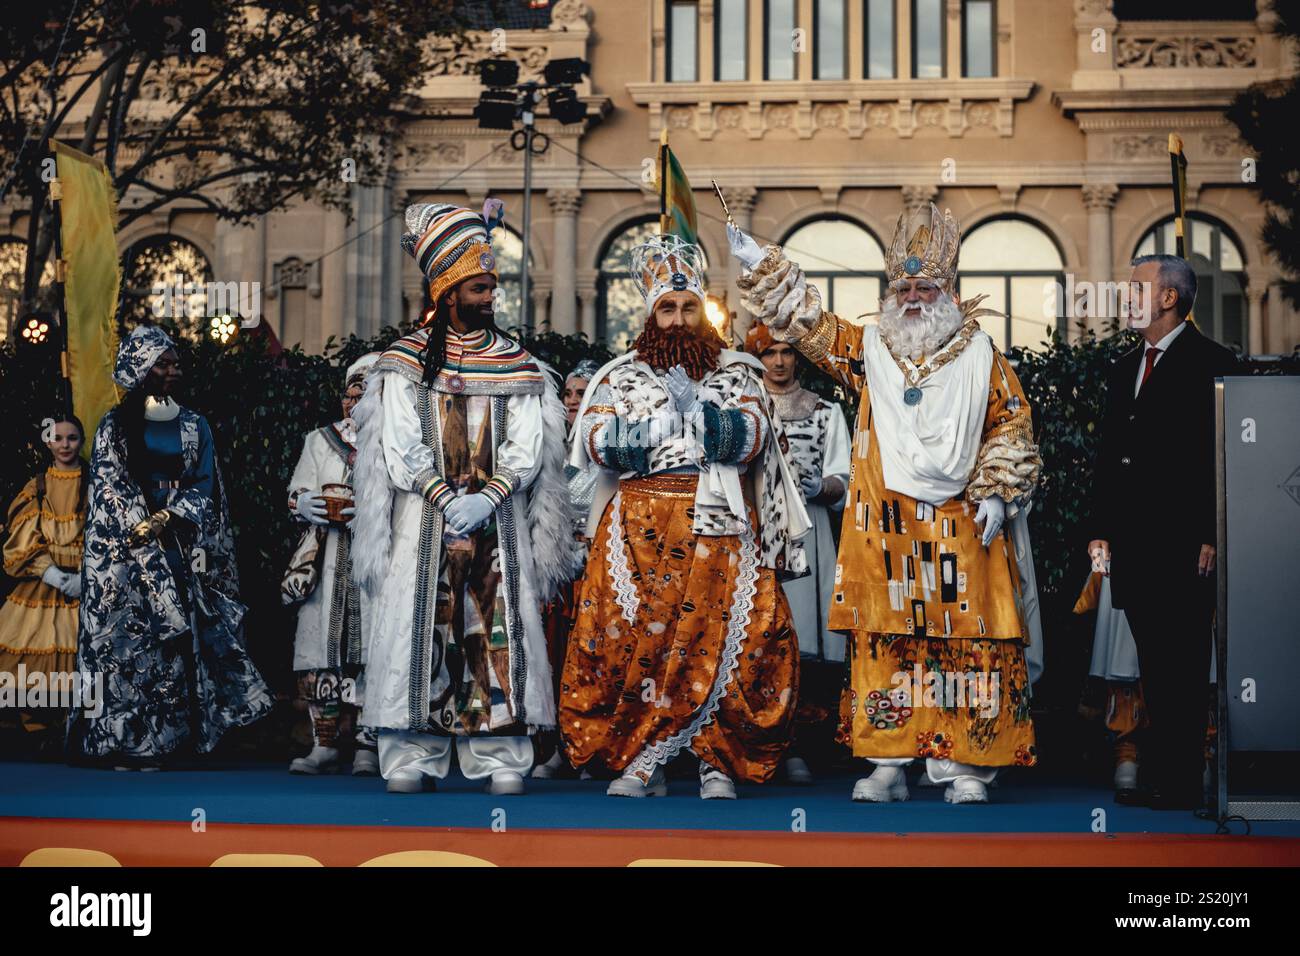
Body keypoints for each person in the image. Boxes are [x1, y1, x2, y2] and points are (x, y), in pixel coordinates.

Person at [732, 203, 1043, 804]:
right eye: (903, 287)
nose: (913, 297)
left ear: (949, 291)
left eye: (926, 286)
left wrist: (999, 493)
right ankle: (889, 763)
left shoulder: (984, 358)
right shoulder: (870, 349)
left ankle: (967, 768)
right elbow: (809, 323)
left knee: (964, 645)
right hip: (887, 530)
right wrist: (761, 262)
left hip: (960, 529)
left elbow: (1012, 424)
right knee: (885, 643)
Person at [562, 233, 810, 800]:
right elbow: (595, 442)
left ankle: (713, 761)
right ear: (651, 313)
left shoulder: (740, 371)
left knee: (721, 643)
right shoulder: (618, 376)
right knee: (638, 643)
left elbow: (751, 439)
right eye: (667, 309)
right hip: (637, 533)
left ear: (705, 309)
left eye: (688, 307)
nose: (677, 319)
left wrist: (699, 415)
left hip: (717, 529)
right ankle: (644, 759)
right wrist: (654, 428)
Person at [351, 200, 575, 797]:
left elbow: (530, 449)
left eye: (492, 285)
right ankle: (410, 755)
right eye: (480, 287)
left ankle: (499, 752)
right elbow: (397, 446)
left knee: (494, 630)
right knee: (417, 625)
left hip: (495, 527)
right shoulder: (401, 364)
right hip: (421, 523)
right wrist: (443, 498)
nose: (491, 296)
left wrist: (489, 497)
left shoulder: (518, 365)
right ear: (448, 291)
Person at [71, 324, 272, 769]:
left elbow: (206, 484)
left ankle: (167, 742)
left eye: (176, 363)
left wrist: (169, 518)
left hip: (177, 549)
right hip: (122, 560)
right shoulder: (112, 427)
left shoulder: (193, 425)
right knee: (123, 646)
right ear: (140, 369)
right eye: (162, 363)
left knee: (171, 646)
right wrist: (140, 527)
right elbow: (109, 487)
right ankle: (117, 742)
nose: (173, 371)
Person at [1089, 254, 1237, 810]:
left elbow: (1222, 457)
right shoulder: (1122, 368)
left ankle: (1179, 780)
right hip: (1134, 546)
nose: (1126, 295)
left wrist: (1212, 532)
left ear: (1169, 297)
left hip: (1188, 545)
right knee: (1153, 665)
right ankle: (1164, 775)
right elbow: (1110, 457)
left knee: (1184, 662)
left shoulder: (1213, 364)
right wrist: (1099, 529)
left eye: (1135, 288)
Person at [746, 324, 851, 785]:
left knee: (804, 640)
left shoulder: (826, 412)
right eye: (769, 352)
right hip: (755, 530)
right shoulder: (741, 409)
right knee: (755, 640)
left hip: (806, 531)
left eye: (787, 352)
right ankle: (752, 744)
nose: (780, 362)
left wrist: (820, 487)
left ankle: (798, 748)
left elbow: (844, 479)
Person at [282, 353, 381, 776]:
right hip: (326, 561)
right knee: (323, 650)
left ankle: (367, 746)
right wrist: (304, 503)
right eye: (348, 394)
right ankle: (323, 743)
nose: (353, 402)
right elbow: (294, 494)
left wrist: (375, 513)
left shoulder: (396, 443)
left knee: (373, 652)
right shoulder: (318, 440)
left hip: (375, 562)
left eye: (363, 394)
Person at [0, 417, 87, 751]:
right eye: (57, 438)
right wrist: (52, 573)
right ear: (47, 443)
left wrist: (86, 577)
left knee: (74, 653)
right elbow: (22, 536)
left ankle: (70, 727)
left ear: (81, 442)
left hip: (83, 585)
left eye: (72, 438)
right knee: (32, 651)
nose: (64, 444)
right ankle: (35, 728)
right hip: (42, 582)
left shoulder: (95, 485)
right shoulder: (37, 485)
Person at [534, 358, 602, 781]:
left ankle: (593, 749)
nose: (574, 400)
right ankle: (557, 746)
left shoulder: (606, 442)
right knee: (555, 657)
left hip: (598, 566)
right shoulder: (550, 442)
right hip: (558, 567)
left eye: (583, 392)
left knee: (596, 659)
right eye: (569, 393)